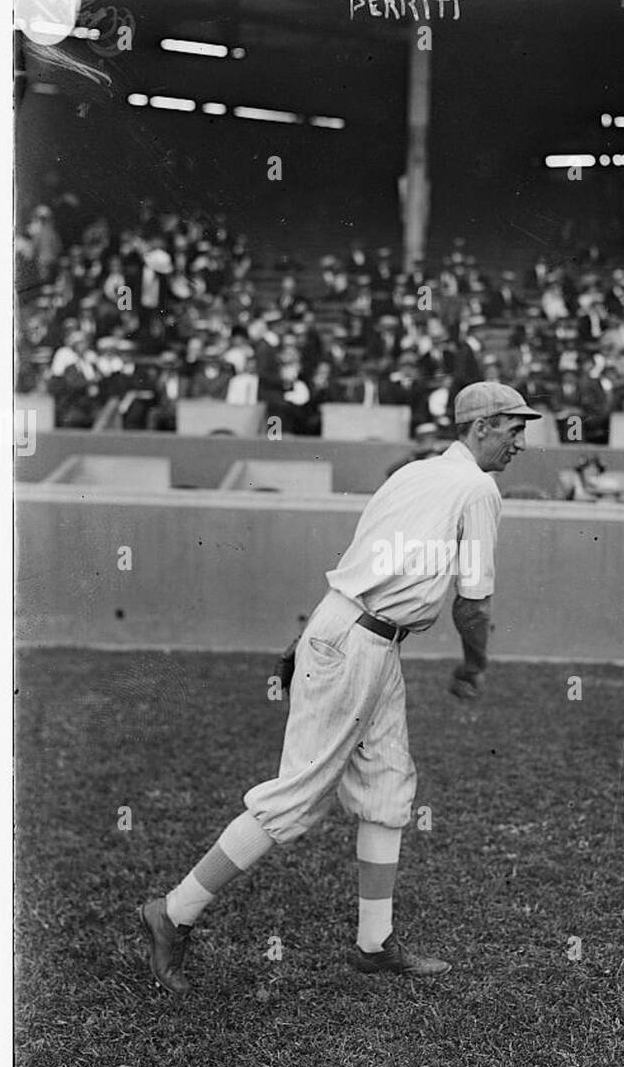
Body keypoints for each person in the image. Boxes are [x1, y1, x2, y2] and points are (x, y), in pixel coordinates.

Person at [138, 381, 541, 993]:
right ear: (481, 427)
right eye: (514, 427)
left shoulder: (414, 474)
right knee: (296, 797)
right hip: (357, 642)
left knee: (386, 785)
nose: (521, 441)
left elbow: (360, 564)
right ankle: (173, 912)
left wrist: (309, 640)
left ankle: (373, 944)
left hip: (360, 637)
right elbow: (473, 601)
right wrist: (473, 664)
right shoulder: (476, 487)